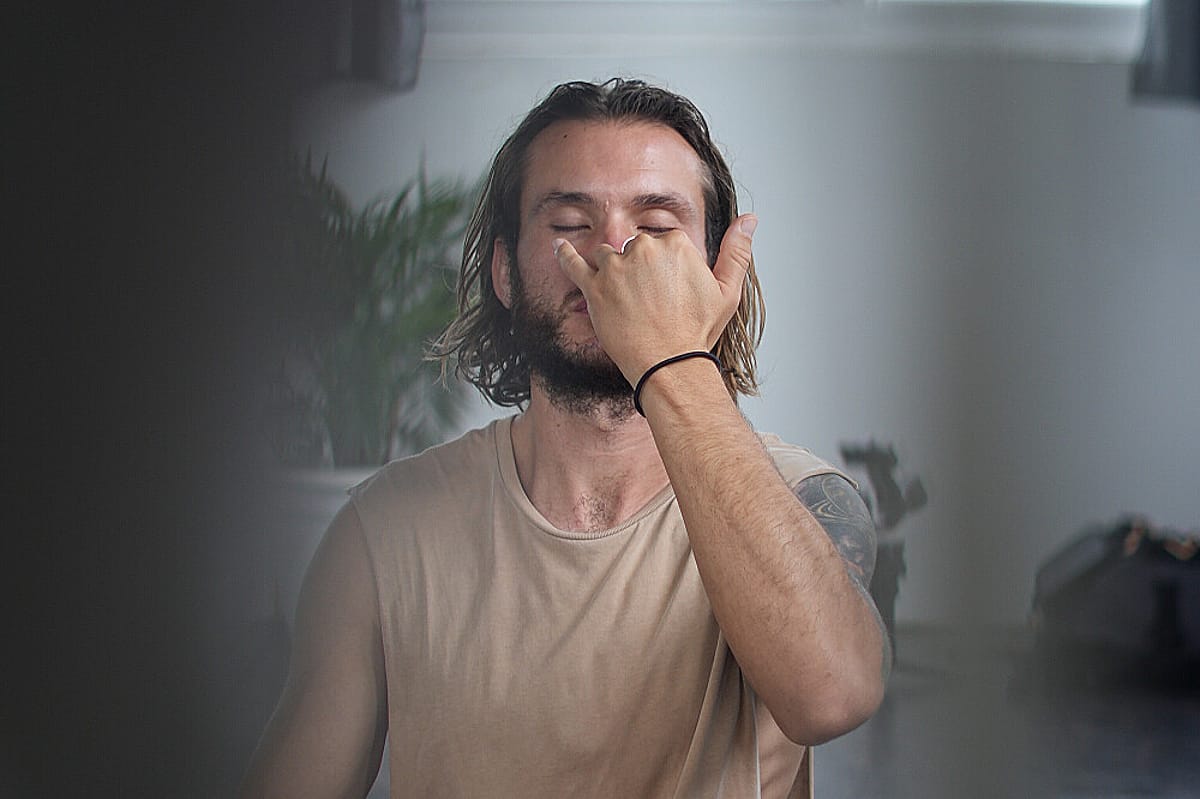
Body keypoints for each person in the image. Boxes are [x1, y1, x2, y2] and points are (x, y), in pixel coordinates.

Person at [240, 77, 890, 799]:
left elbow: (834, 694)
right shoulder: (381, 529)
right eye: (569, 223)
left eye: (657, 227)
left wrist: (672, 360)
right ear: (506, 273)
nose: (615, 253)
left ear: (715, 278)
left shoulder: (807, 499)